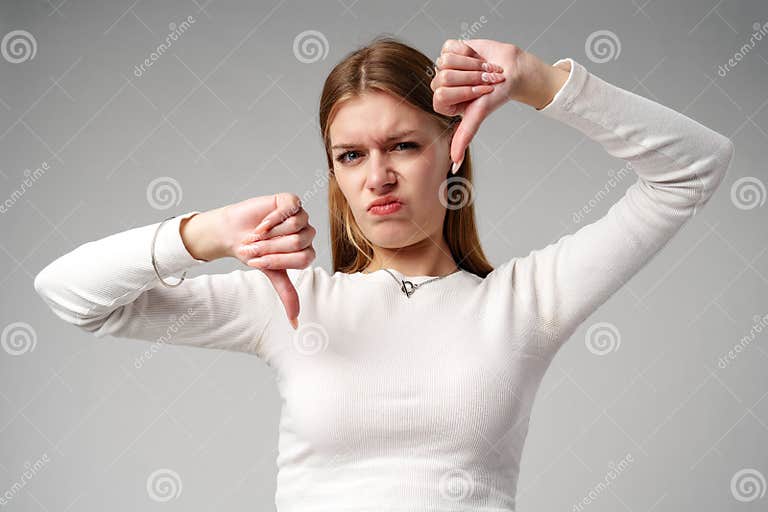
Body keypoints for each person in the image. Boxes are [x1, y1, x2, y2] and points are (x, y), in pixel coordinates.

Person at [33, 35, 734, 511]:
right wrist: (205, 234)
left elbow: (693, 167)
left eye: (402, 144)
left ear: (452, 148)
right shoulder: (291, 301)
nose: (379, 178)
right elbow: (71, 297)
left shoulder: (526, 301)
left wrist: (536, 79)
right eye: (351, 156)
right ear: (334, 172)